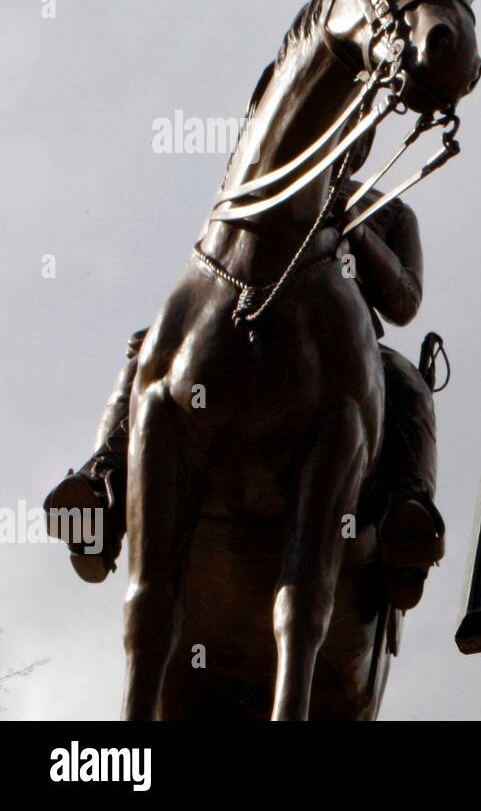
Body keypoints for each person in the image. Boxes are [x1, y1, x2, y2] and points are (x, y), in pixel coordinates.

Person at [45, 176, 444, 610]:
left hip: (343, 352)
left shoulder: (392, 210)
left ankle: (407, 515)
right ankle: (105, 489)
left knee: (409, 387)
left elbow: (404, 301)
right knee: (146, 358)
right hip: (235, 321)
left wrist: (358, 230)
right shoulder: (269, 171)